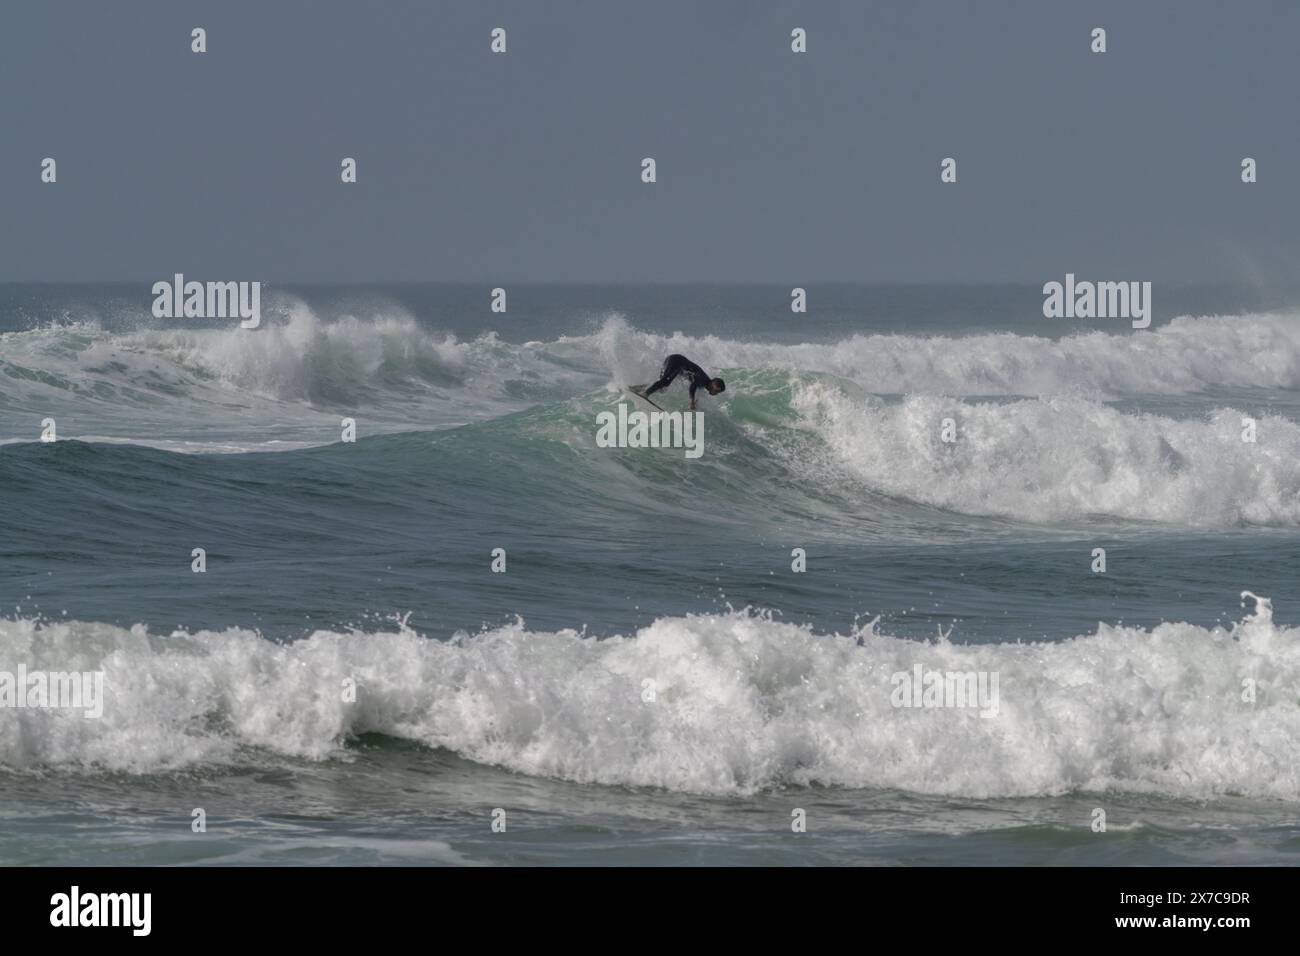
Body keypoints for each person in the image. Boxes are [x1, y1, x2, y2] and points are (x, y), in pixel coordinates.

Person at [639, 354, 725, 410]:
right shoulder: (703, 380)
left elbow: (696, 389)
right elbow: (693, 385)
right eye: (717, 390)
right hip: (676, 360)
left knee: (663, 387)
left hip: (678, 366)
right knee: (665, 382)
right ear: (713, 384)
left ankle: (640, 389)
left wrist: (695, 403)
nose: (716, 393)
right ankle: (645, 393)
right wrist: (691, 400)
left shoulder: (704, 384)